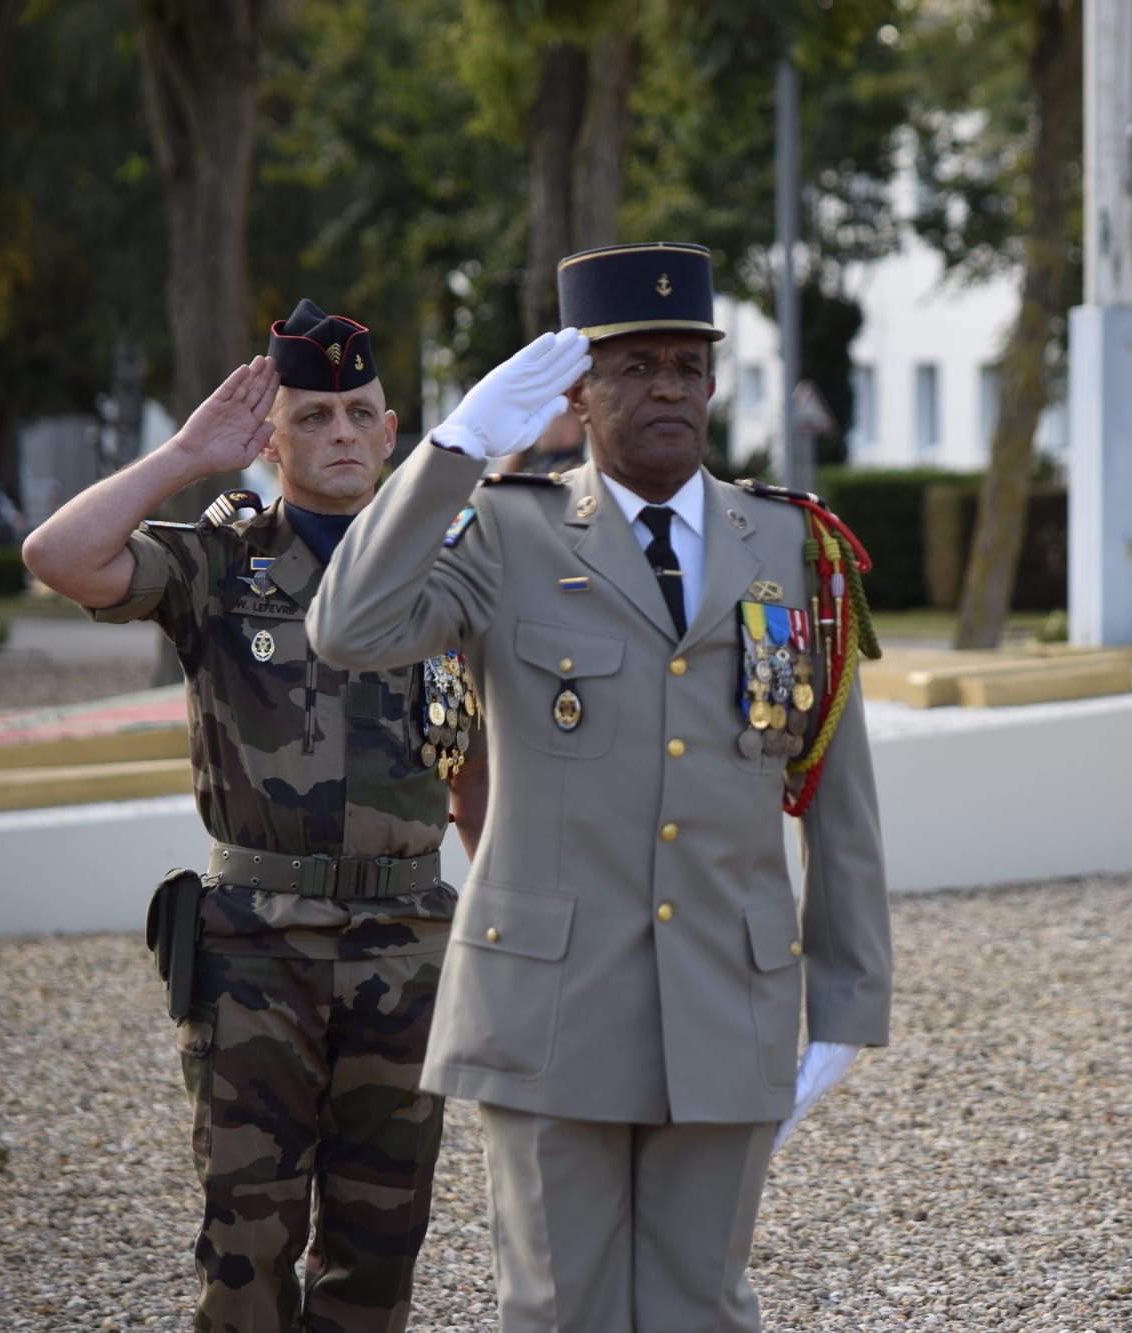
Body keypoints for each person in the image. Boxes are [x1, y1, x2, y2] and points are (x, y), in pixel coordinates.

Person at [307, 241, 893, 1333]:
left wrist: (852, 998)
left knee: (699, 1308)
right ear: (577, 391)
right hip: (549, 1002)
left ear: (713, 383)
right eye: (632, 366)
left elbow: (838, 791)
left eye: (686, 363)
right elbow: (348, 628)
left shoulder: (790, 543)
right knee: (557, 1310)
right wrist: (454, 448)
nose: (665, 386)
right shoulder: (503, 530)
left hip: (731, 990)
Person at [21, 300, 469, 1332]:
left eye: (360, 413)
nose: (342, 435)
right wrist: (184, 455)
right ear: (271, 438)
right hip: (256, 953)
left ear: (392, 430)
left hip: (409, 947)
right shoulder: (221, 562)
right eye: (311, 417)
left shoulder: (445, 568)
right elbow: (59, 557)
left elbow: (473, 758)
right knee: (245, 1247)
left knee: (381, 1250)